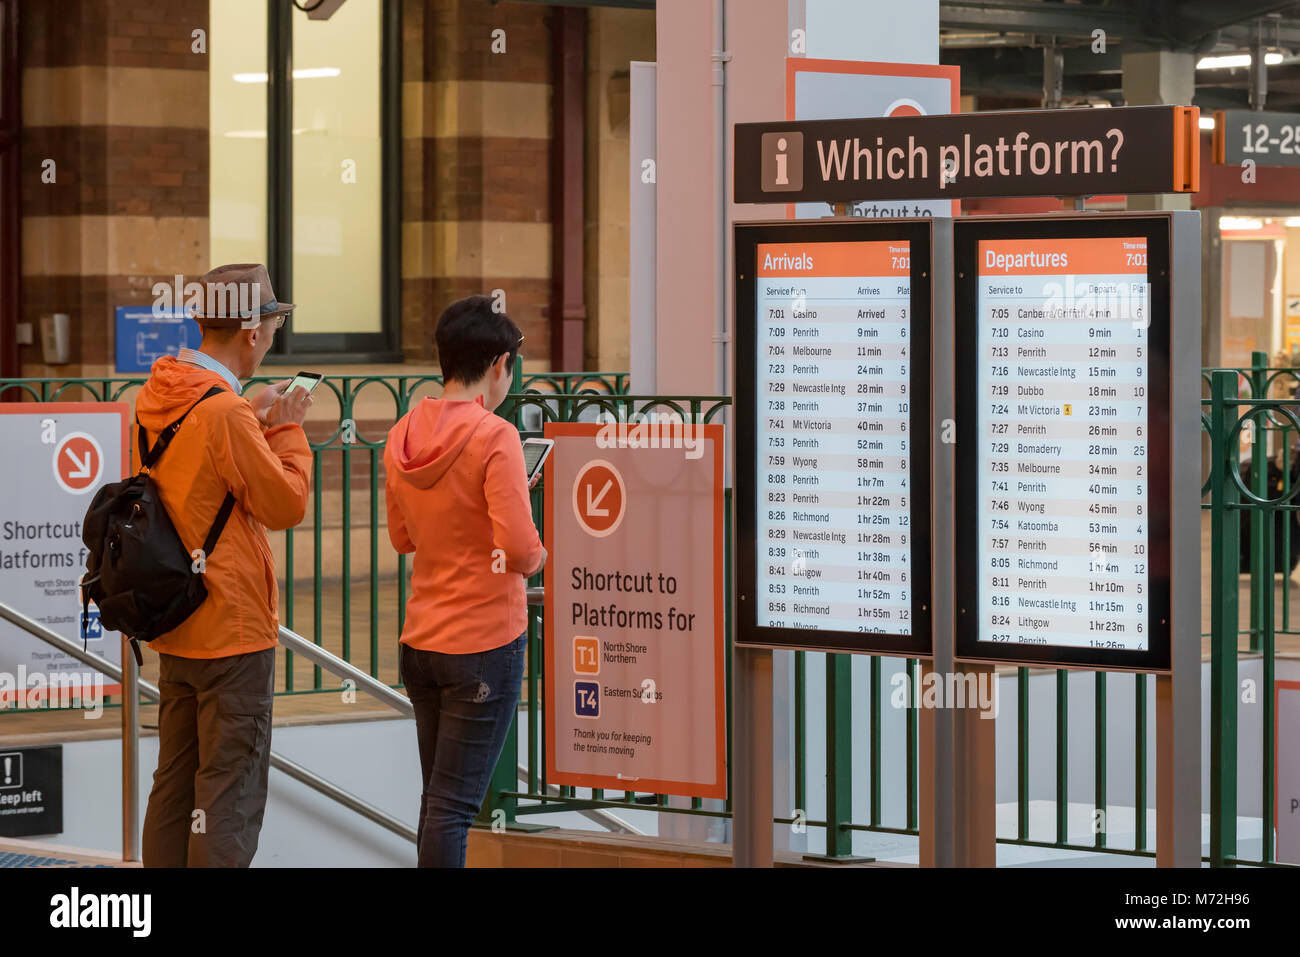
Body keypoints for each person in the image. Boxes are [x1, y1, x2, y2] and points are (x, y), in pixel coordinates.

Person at [138, 263, 313, 867]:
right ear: (251, 332)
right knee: (226, 795)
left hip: (177, 622)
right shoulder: (225, 412)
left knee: (174, 786)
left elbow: (200, 479)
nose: (270, 338)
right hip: (232, 632)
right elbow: (284, 503)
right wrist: (287, 429)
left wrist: (253, 418)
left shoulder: (160, 394)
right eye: (269, 325)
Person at [385, 295, 546, 867]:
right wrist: (540, 551)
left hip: (421, 641)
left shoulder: (403, 431)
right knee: (455, 810)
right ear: (500, 364)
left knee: (439, 801)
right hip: (483, 643)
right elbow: (521, 550)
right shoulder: (495, 436)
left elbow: (402, 539)